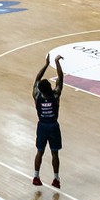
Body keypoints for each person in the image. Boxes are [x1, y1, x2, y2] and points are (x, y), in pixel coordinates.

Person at [32, 54, 64, 189]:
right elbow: (60, 79)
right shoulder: (55, 95)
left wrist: (46, 64)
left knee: (39, 152)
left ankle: (36, 176)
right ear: (50, 88)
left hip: (42, 126)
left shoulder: (36, 95)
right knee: (54, 153)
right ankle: (56, 179)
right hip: (53, 126)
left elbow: (37, 78)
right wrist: (56, 63)